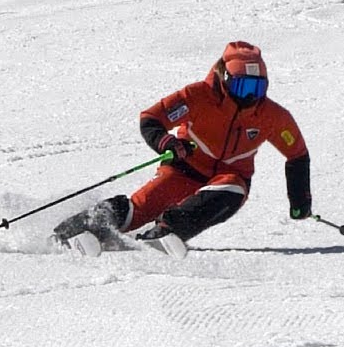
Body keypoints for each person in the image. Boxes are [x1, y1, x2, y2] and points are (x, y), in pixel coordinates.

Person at [52, 41, 312, 253]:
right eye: (242, 87)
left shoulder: (272, 116)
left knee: (232, 191)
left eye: (258, 88)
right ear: (224, 79)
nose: (250, 96)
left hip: (229, 176)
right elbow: (152, 119)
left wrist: (300, 202)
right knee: (140, 206)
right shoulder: (199, 96)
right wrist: (166, 141)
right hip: (185, 167)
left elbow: (297, 155)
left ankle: (164, 233)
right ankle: (75, 230)